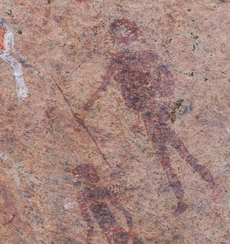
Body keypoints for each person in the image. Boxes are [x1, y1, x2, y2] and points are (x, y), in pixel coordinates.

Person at [84, 18, 214, 214]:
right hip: (147, 111)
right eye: (116, 35)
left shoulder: (144, 56)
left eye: (122, 33)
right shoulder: (122, 59)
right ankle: (201, 186)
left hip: (153, 110)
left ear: (132, 33)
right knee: (173, 151)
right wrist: (89, 104)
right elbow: (104, 86)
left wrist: (165, 99)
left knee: (169, 154)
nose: (119, 38)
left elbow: (166, 76)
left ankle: (194, 191)